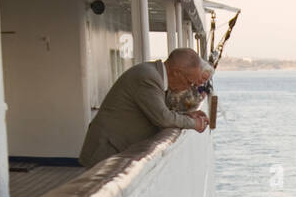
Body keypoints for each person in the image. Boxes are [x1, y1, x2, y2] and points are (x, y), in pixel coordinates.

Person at [79, 48, 211, 167]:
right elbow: (163, 118)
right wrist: (194, 123)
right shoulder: (148, 78)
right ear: (176, 73)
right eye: (189, 82)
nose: (189, 88)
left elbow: (158, 111)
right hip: (105, 149)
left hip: (114, 148)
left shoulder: (155, 75)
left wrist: (186, 115)